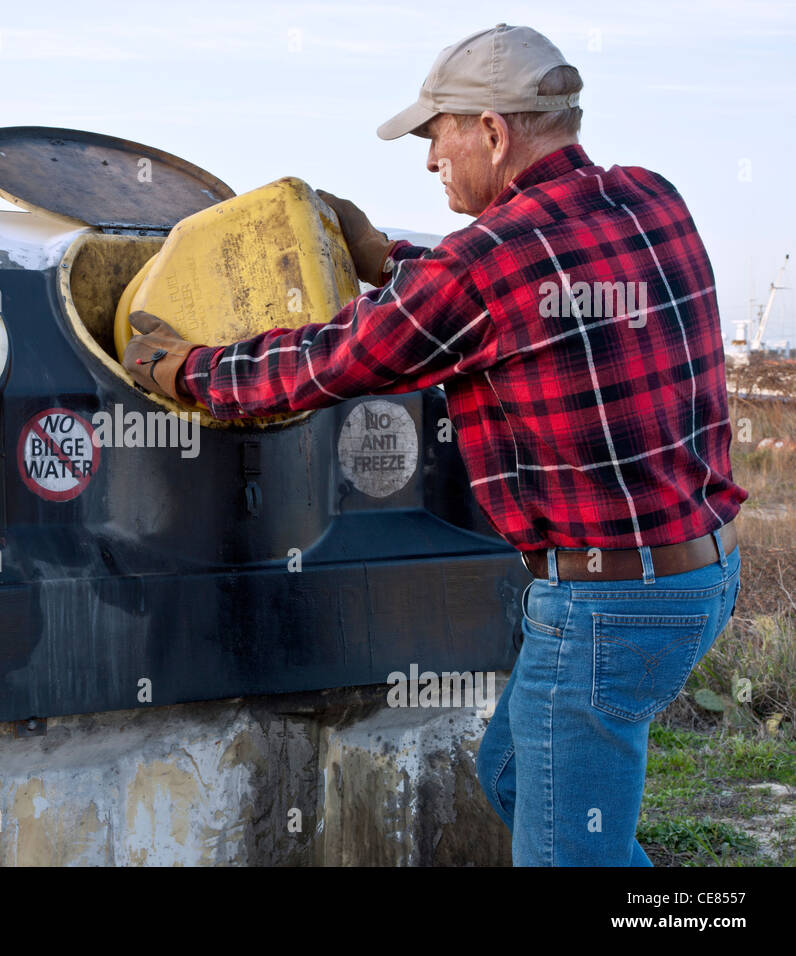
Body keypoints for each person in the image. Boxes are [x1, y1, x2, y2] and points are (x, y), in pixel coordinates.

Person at [123, 23, 747, 867]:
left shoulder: (484, 266)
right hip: (702, 574)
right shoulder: (649, 196)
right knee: (515, 781)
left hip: (605, 606)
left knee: (565, 854)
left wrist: (183, 371)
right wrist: (387, 259)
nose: (428, 160)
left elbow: (326, 363)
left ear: (492, 130)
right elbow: (511, 294)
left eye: (435, 135)